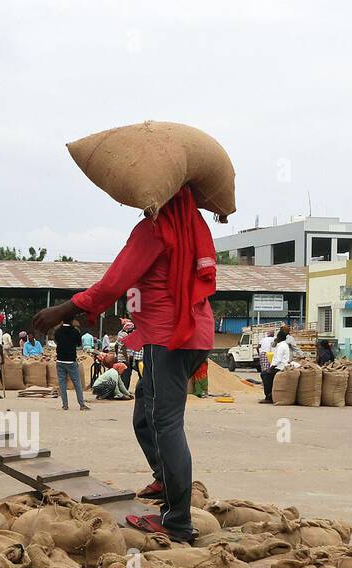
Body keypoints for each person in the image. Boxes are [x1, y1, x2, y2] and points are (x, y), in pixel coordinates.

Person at [33, 186, 216, 543]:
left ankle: (177, 521)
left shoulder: (155, 228)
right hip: (194, 335)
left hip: (169, 337)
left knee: (166, 424)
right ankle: (165, 477)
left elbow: (115, 281)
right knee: (144, 413)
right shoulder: (192, 224)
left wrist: (65, 308)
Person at [53, 315, 90, 411]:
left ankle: (65, 405)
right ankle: (81, 405)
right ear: (72, 321)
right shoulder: (75, 331)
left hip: (60, 360)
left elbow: (56, 342)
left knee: (62, 384)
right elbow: (78, 344)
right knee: (77, 383)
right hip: (71, 361)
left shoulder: (57, 331)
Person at [269, 327, 295, 398]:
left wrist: (271, 367)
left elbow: (278, 359)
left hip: (280, 366)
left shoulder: (283, 344)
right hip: (282, 364)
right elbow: (273, 345)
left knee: (265, 375)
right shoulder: (281, 344)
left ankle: (269, 395)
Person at [257, 328, 278, 403]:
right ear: (273, 334)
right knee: (270, 370)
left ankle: (265, 384)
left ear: (267, 334)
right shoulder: (275, 339)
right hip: (271, 354)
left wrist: (259, 354)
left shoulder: (263, 339)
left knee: (264, 370)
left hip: (263, 353)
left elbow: (258, 347)